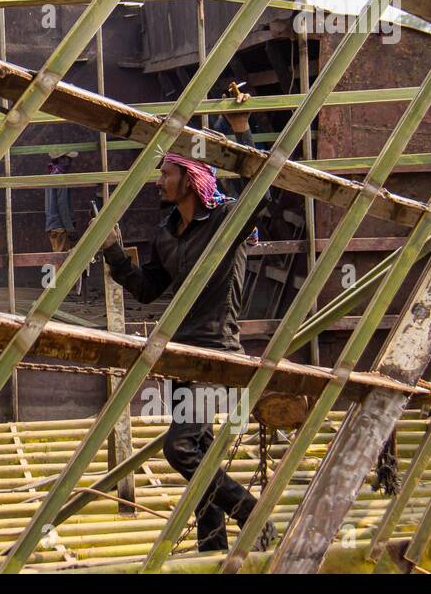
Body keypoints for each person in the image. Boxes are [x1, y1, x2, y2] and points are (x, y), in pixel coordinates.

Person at [100, 110, 277, 553]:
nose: (159, 181)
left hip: (216, 353)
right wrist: (114, 253)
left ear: (190, 177)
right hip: (181, 356)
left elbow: (261, 194)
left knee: (180, 449)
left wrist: (242, 131)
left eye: (166, 173)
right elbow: (147, 289)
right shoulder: (166, 233)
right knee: (201, 450)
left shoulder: (227, 220)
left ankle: (250, 512)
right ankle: (212, 548)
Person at [44, 150, 80, 252]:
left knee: (59, 258)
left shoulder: (51, 175)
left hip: (53, 226)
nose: (70, 162)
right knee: (63, 259)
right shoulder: (60, 178)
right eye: (68, 159)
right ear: (60, 159)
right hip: (61, 227)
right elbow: (62, 205)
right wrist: (69, 228)